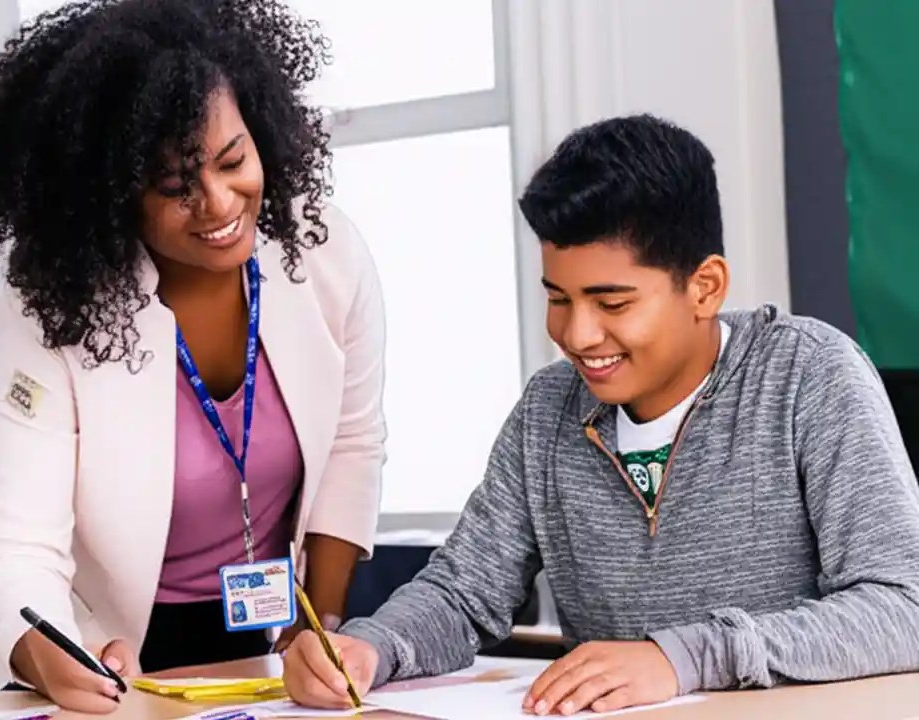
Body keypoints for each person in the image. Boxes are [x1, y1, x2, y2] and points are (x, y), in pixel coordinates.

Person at [282, 114, 919, 715]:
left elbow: (902, 607)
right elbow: (462, 593)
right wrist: (371, 647)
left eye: (611, 303)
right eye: (559, 298)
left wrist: (679, 658)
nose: (578, 334)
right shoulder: (547, 412)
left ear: (705, 286)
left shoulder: (811, 375)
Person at [0, 0, 386, 713]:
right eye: (176, 187)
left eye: (233, 160)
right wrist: (53, 653)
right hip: (123, 662)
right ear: (113, 194)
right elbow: (15, 550)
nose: (218, 203)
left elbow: (353, 444)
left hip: (289, 645)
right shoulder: (50, 309)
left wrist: (320, 628)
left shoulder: (324, 250)